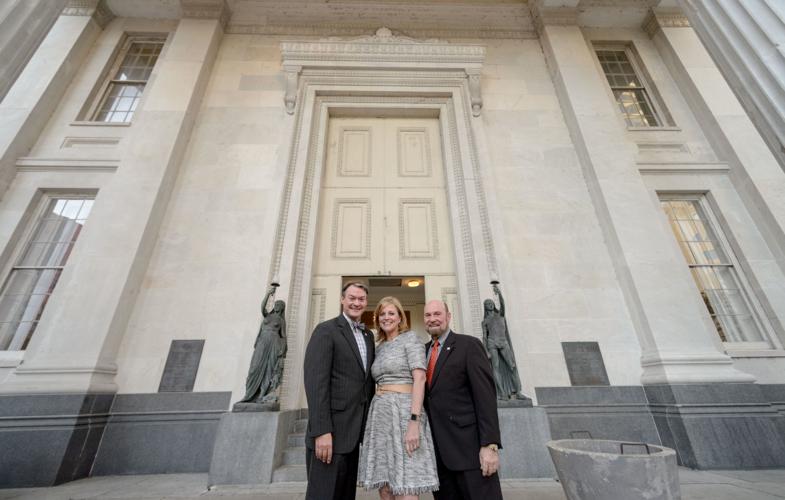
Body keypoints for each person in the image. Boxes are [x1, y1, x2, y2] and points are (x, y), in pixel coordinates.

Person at [358, 296, 439, 499]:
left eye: (391, 313)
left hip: (405, 414)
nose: (386, 317)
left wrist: (414, 421)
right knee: (385, 485)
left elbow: (420, 378)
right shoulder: (379, 347)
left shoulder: (410, 339)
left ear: (400, 317)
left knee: (407, 483)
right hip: (380, 417)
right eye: (382, 314)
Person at [423, 300, 503, 500]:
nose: (432, 319)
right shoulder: (421, 352)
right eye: (428, 315)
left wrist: (490, 445)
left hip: (470, 452)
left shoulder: (469, 345)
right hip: (438, 456)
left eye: (437, 314)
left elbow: (485, 397)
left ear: (448, 317)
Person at [303, 282, 376, 500]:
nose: (356, 303)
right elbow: (316, 384)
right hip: (330, 435)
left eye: (361, 299)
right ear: (342, 300)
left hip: (354, 435)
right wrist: (321, 431)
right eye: (352, 298)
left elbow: (365, 383)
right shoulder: (326, 330)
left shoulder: (368, 336)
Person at [238, 285, 287, 404]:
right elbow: (262, 307)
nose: (277, 305)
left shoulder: (281, 321)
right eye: (276, 304)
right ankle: (248, 394)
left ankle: (262, 394)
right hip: (262, 342)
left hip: (274, 344)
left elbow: (283, 336)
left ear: (282, 308)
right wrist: (268, 294)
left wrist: (283, 350)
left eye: (279, 305)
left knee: (269, 369)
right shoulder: (267, 315)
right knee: (254, 368)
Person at [482, 283, 526, 401]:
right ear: (485, 307)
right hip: (492, 343)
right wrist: (486, 351)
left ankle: (518, 392)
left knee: (512, 366)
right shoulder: (485, 321)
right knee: (495, 367)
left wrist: (499, 293)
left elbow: (503, 304)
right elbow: (484, 337)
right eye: (488, 304)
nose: (490, 305)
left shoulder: (500, 314)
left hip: (503, 342)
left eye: (491, 303)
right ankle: (502, 393)